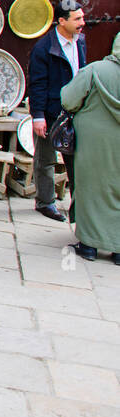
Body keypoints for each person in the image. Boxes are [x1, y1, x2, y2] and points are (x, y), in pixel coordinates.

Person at [59, 31, 120, 263]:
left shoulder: (95, 71)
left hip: (93, 143)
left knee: (90, 190)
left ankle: (89, 246)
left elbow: (68, 99)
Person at [27, 0, 86, 221]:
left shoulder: (80, 41)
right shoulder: (44, 47)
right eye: (77, 19)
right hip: (51, 110)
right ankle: (45, 202)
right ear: (61, 21)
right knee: (45, 158)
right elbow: (38, 84)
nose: (82, 22)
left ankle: (78, 205)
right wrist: (38, 116)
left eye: (82, 17)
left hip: (75, 109)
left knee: (75, 159)